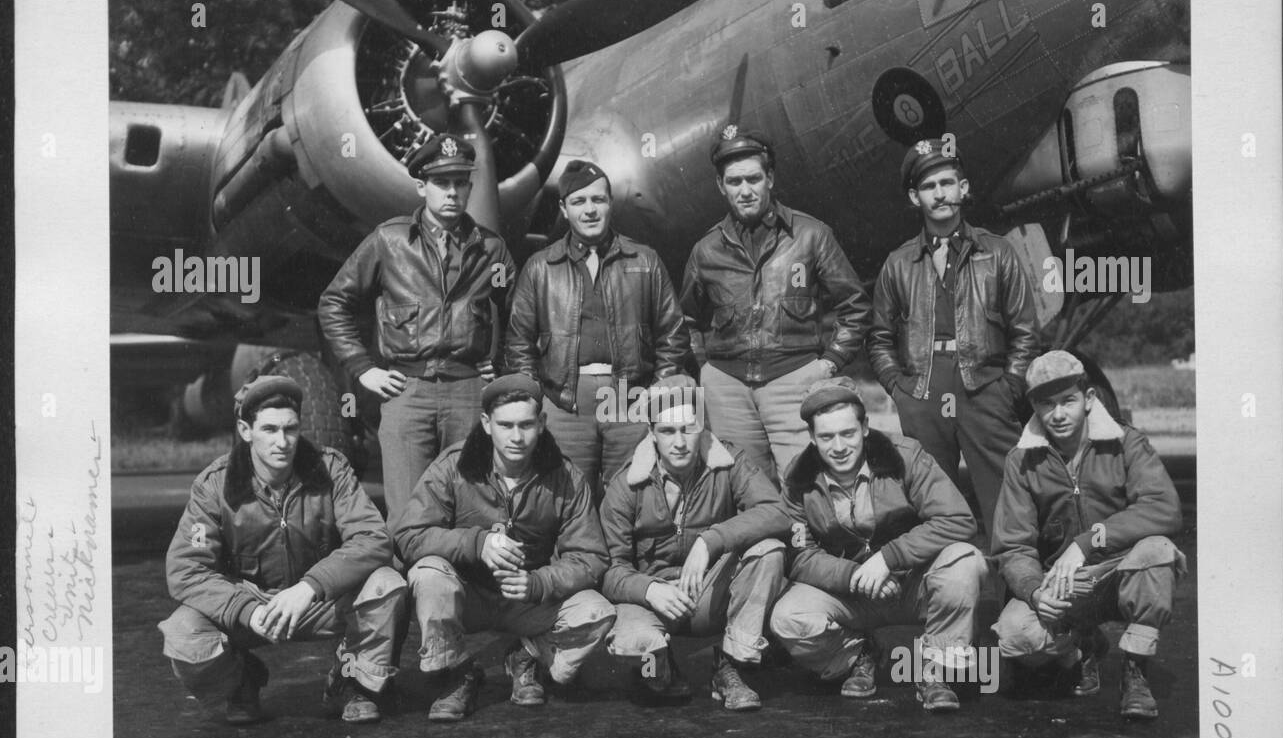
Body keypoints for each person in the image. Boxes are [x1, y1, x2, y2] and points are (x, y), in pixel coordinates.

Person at [159, 376, 408, 726]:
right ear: (245, 430)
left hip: (317, 600)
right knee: (184, 634)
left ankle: (351, 681)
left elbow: (372, 538)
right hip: (252, 603)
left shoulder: (330, 468)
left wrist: (309, 587)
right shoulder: (214, 485)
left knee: (387, 584)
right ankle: (241, 681)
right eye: (269, 429)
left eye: (290, 429)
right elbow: (186, 569)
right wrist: (244, 609)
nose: (282, 442)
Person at [318, 132, 516, 529]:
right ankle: (408, 589)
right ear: (421, 186)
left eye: (461, 182)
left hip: (468, 394)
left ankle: (465, 590)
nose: (452, 193)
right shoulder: (389, 242)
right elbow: (333, 302)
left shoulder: (490, 250)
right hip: (406, 394)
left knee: (473, 509)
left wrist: (503, 366)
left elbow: (520, 316)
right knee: (407, 516)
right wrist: (363, 368)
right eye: (442, 183)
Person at [394, 374, 617, 721]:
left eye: (526, 424)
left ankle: (525, 655)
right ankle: (455, 673)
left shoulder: (565, 476)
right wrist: (476, 543)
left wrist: (540, 582)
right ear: (486, 424)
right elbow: (409, 535)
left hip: (525, 596)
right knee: (428, 576)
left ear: (542, 423)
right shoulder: (453, 467)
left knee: (597, 612)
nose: (516, 437)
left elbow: (591, 557)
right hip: (466, 593)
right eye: (506, 425)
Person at [769, 378, 986, 712]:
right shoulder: (798, 479)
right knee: (787, 617)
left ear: (865, 427)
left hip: (914, 581)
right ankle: (858, 654)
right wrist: (854, 574)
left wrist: (889, 558)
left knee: (965, 561)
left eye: (848, 433)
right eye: (826, 437)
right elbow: (800, 555)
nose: (839, 446)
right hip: (852, 592)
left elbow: (958, 519)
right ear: (812, 437)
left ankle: (936, 669)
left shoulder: (906, 456)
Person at [989, 351, 1185, 719]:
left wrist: (1089, 541)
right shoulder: (1021, 461)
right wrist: (1034, 590)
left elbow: (1165, 508)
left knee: (1158, 551)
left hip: (1120, 571)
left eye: (1068, 401)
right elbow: (1012, 546)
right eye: (1047, 404)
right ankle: (1083, 647)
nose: (1058, 414)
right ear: (1034, 405)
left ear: (1089, 399)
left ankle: (1135, 671)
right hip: (1062, 584)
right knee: (1017, 637)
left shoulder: (1127, 442)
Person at [679, 125, 871, 483]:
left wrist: (827, 365)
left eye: (753, 178)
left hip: (793, 381)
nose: (745, 190)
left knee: (806, 484)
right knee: (743, 486)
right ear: (721, 186)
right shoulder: (705, 250)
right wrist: (704, 368)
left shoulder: (811, 235)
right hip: (728, 388)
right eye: (734, 182)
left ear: (770, 179)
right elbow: (685, 320)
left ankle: (806, 542)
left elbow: (855, 307)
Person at [867, 138, 1039, 532]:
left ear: (963, 188)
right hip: (924, 392)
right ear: (915, 197)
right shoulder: (898, 264)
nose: (940, 194)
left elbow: (1025, 332)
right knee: (932, 506)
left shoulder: (998, 254)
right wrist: (901, 391)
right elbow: (878, 338)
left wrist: (1009, 389)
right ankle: (944, 591)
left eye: (947, 183)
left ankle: (1014, 590)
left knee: (1006, 503)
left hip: (985, 388)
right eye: (928, 187)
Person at [599, 376, 790, 710]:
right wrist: (648, 589)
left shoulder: (728, 462)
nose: (680, 442)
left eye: (688, 428)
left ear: (701, 426)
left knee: (768, 551)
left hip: (709, 591)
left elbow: (776, 512)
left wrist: (710, 540)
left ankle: (732, 664)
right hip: (651, 600)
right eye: (668, 431)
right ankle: (656, 669)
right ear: (652, 433)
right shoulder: (626, 485)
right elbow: (607, 570)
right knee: (635, 646)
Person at [504, 159, 690, 496]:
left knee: (633, 494)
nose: (589, 210)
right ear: (564, 207)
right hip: (564, 402)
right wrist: (535, 398)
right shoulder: (539, 268)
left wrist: (657, 390)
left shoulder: (645, 260)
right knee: (567, 497)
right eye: (578, 202)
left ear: (610, 204)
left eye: (598, 200)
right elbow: (519, 343)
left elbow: (672, 333)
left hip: (629, 399)